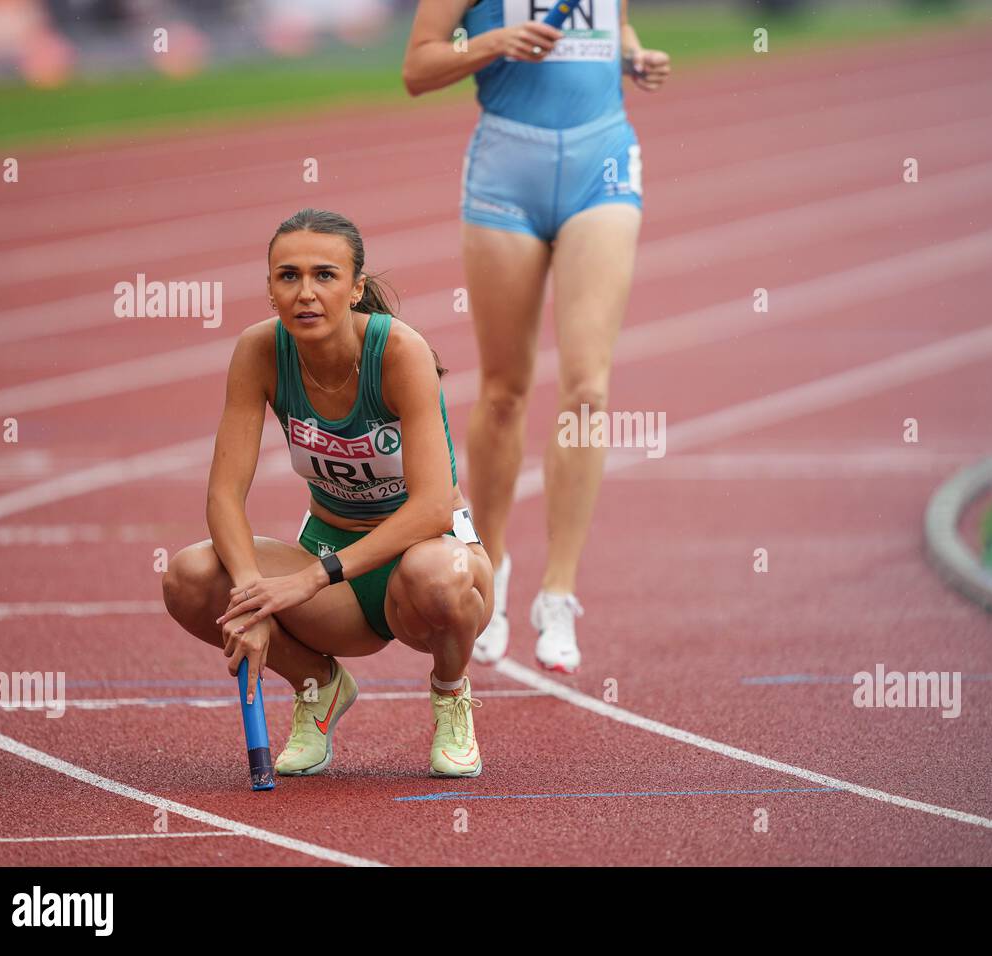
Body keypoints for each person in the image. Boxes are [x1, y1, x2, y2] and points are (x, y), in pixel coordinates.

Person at [161, 208, 494, 779]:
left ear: (356, 287)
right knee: (189, 576)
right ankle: (319, 686)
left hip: (430, 558)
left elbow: (434, 505)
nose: (305, 293)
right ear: (269, 289)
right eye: (288, 276)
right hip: (333, 572)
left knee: (436, 577)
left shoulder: (398, 351)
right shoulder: (259, 351)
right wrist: (249, 599)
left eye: (325, 276)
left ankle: (450, 694)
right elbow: (223, 495)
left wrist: (313, 577)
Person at [402, 0, 670, 674]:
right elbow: (418, 67)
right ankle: (488, 571)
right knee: (502, 392)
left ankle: (560, 592)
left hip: (602, 161)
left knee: (588, 389)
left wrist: (634, 53)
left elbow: (615, 23)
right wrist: (492, 42)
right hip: (506, 172)